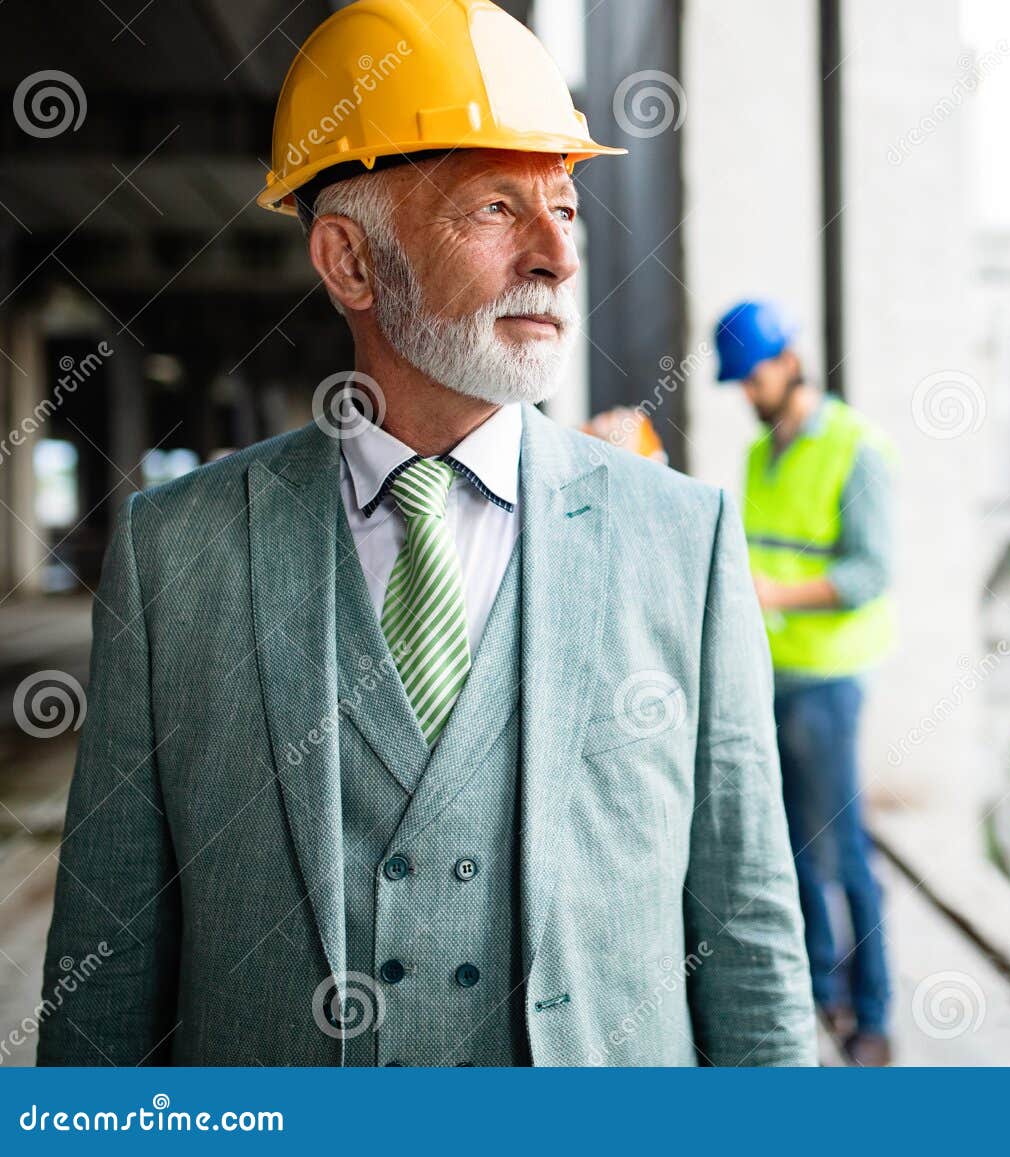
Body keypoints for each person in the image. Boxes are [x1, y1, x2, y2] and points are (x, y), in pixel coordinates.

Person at [37, 0, 814, 1068]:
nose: (557, 257)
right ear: (350, 262)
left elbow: (748, 930)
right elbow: (108, 960)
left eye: (566, 209)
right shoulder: (178, 552)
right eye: (497, 208)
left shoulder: (683, 538)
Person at [714, 300, 897, 1066]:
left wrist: (777, 596)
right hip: (771, 676)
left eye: (754, 376)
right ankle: (821, 994)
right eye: (741, 382)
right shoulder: (760, 457)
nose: (747, 394)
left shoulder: (853, 446)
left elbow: (870, 570)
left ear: (790, 361)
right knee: (789, 847)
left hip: (828, 680)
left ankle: (874, 1011)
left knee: (842, 851)